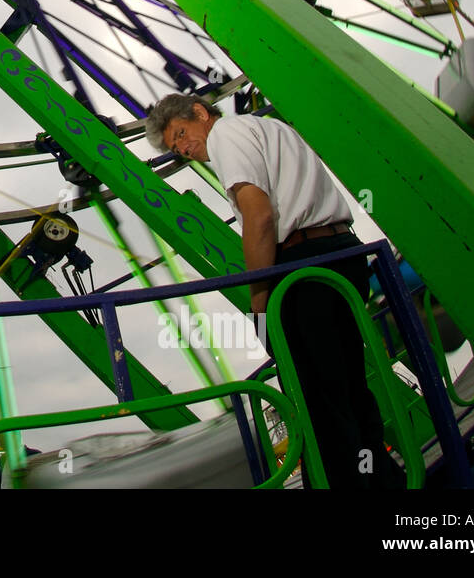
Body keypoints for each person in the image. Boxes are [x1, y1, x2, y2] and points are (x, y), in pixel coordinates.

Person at [147, 93, 403, 489]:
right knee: (350, 385)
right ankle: (383, 479)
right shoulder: (270, 127)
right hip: (342, 252)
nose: (182, 148)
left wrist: (259, 299)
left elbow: (260, 215)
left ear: (200, 112)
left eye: (181, 134)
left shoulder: (225, 136)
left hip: (304, 267)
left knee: (318, 401)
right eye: (175, 147)